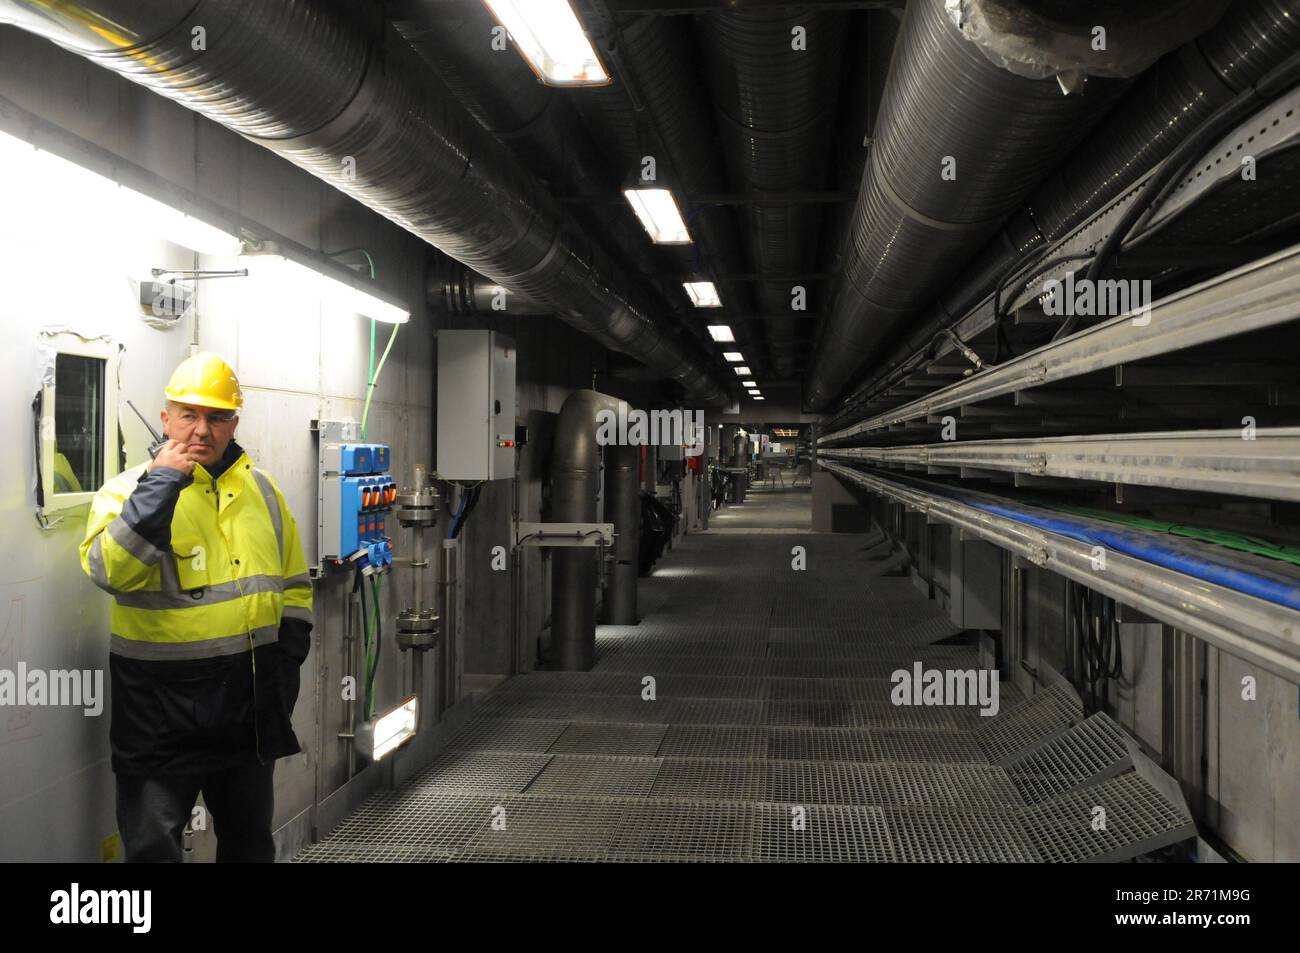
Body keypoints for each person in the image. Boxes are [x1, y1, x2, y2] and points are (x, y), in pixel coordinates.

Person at [79, 352, 313, 862]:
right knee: (153, 851)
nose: (201, 430)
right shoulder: (124, 493)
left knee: (249, 845)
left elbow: (295, 583)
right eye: (188, 414)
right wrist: (161, 484)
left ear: (235, 421)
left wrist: (287, 659)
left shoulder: (264, 492)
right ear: (166, 419)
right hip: (159, 717)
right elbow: (111, 572)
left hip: (246, 710)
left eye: (216, 416)